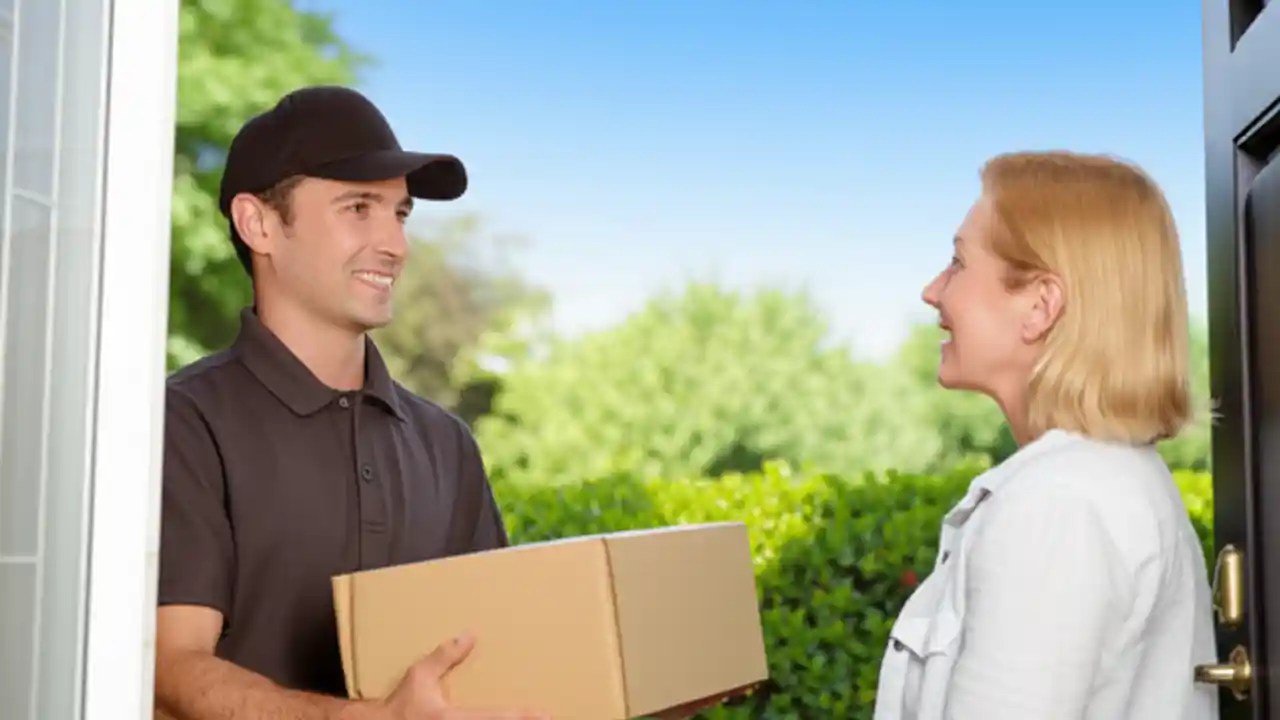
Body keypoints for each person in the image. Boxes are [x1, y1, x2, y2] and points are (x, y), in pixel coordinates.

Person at [152, 86, 723, 720]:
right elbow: (168, 672)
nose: (395, 245)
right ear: (259, 223)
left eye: (399, 214)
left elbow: (488, 669)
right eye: (358, 207)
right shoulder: (183, 424)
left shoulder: (444, 444)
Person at [872, 151, 1220, 719]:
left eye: (958, 263)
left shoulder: (1055, 507)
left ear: (1040, 305)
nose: (933, 291)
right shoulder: (1100, 480)